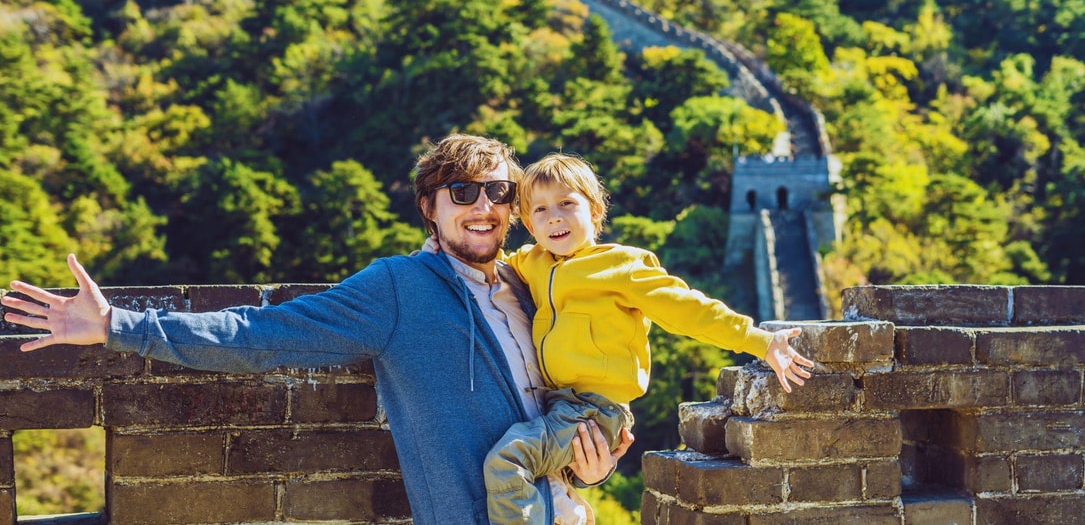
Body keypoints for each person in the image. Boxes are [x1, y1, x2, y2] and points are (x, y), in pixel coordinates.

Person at [2, 135, 632, 525]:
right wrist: (118, 324)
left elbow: (549, 413)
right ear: (428, 208)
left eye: (499, 191)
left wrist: (591, 466)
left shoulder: (528, 286)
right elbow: (259, 333)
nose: (483, 206)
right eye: (461, 191)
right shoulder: (398, 289)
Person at [480, 153, 816, 524]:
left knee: (508, 460)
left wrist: (757, 340)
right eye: (540, 210)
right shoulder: (534, 263)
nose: (554, 217)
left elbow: (686, 308)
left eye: (566, 203)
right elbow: (486, 260)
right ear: (528, 223)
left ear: (594, 210)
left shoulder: (621, 267)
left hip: (597, 411)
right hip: (559, 406)